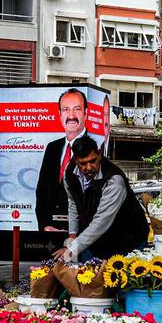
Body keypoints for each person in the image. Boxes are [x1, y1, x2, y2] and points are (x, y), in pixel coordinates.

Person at [52, 135, 150, 263]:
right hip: (94, 242)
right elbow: (73, 203)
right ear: (76, 160)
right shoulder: (69, 173)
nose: (88, 167)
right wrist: (72, 235)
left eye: (93, 161)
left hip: (129, 240)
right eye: (83, 163)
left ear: (99, 155)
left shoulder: (114, 181)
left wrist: (72, 249)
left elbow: (101, 221)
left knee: (123, 280)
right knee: (88, 278)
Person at [36, 88, 91, 231]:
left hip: (80, 236)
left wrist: (75, 232)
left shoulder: (94, 149)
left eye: (77, 109)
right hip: (50, 232)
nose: (71, 115)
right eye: (66, 110)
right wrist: (45, 226)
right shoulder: (52, 148)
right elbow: (41, 191)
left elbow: (94, 200)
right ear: (60, 114)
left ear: (86, 113)